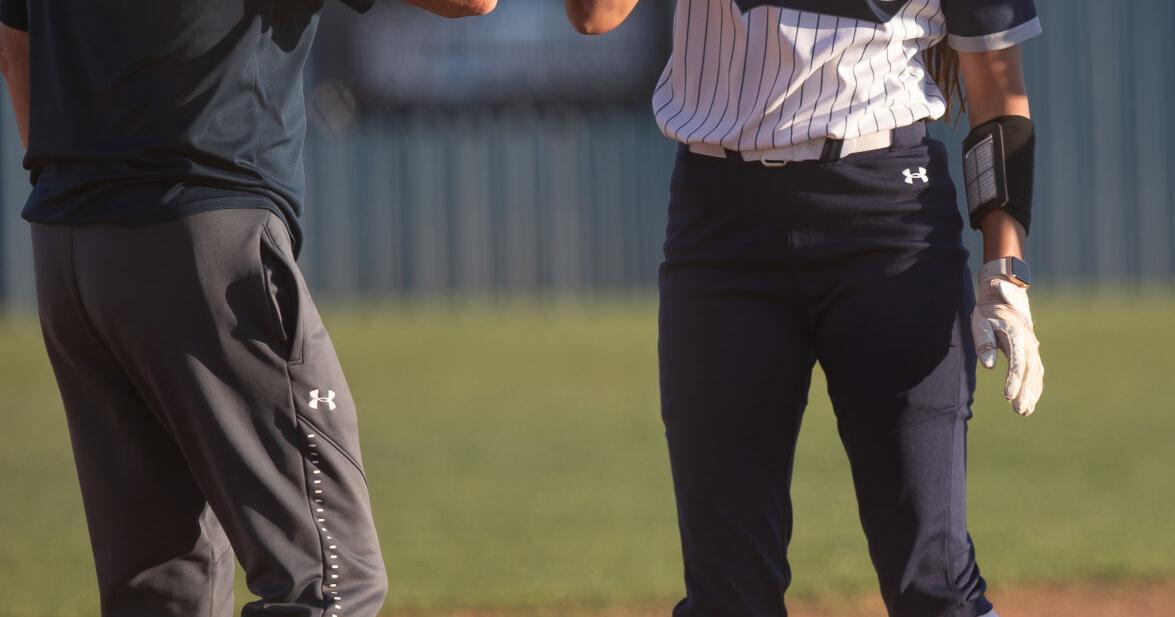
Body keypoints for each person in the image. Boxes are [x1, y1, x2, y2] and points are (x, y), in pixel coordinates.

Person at [0, 0, 494, 616]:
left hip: (70, 249)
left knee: (161, 594)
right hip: (202, 237)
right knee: (331, 583)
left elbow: (14, 51)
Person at [566, 1, 1044, 616]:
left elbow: (998, 96)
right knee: (728, 596)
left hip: (888, 221)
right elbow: (594, 16)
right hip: (721, 225)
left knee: (932, 583)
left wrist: (1006, 272)